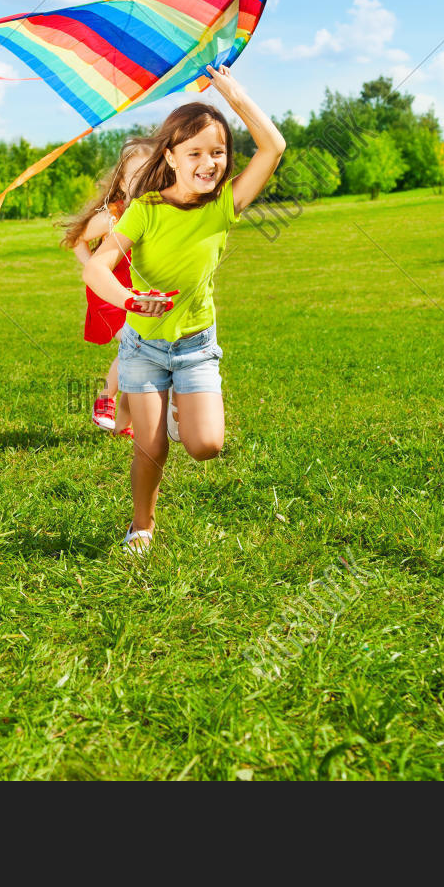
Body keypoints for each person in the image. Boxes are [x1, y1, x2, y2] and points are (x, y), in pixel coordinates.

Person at [82, 65, 285, 553]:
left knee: (205, 446)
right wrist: (132, 300)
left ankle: (182, 408)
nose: (209, 162)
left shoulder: (224, 205)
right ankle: (141, 525)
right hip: (143, 347)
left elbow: (273, 147)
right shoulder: (146, 209)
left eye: (218, 152)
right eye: (194, 152)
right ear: (170, 157)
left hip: (195, 346)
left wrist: (233, 94)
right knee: (150, 445)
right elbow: (97, 268)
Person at [59, 140, 151, 437]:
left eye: (149, 174)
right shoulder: (114, 215)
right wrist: (93, 273)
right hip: (110, 292)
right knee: (136, 344)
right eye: (135, 176)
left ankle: (123, 421)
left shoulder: (154, 210)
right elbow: (76, 239)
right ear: (122, 182)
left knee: (143, 348)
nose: (142, 182)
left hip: (133, 294)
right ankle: (105, 400)